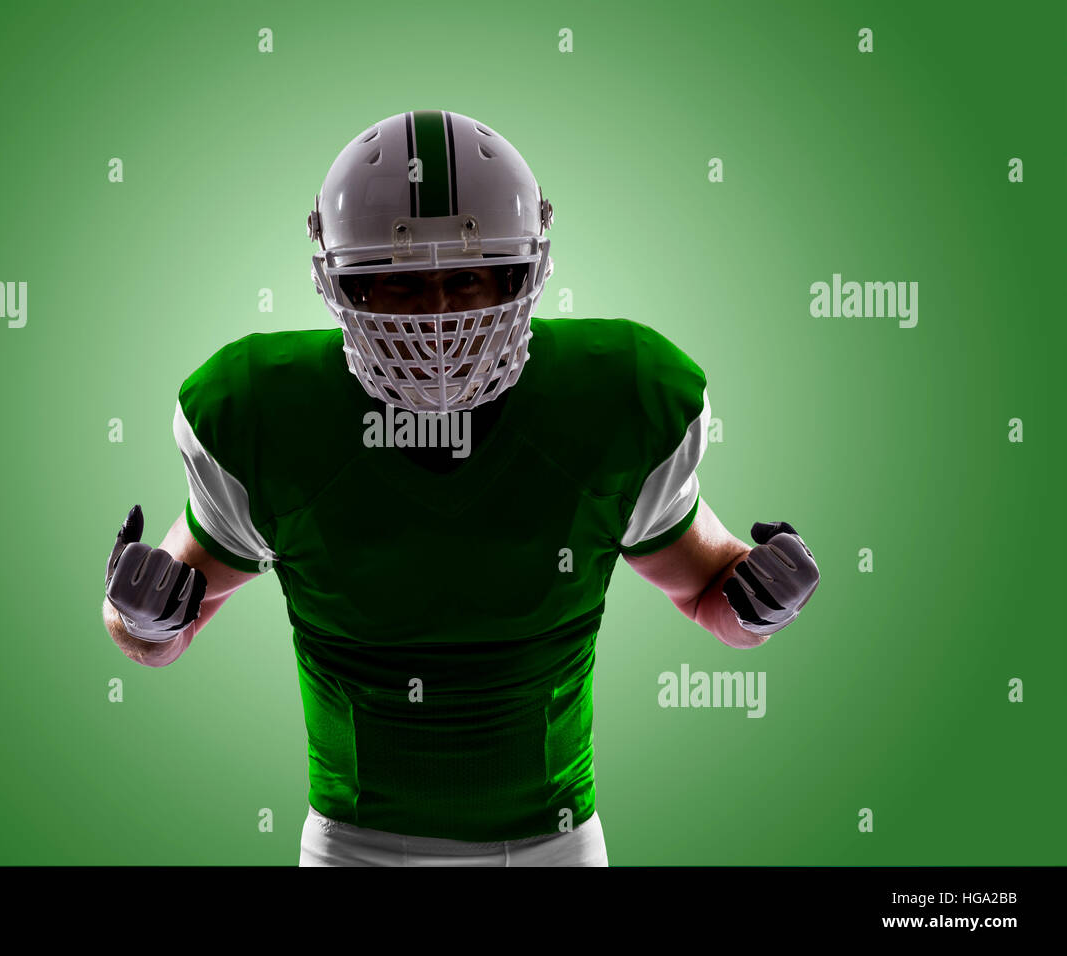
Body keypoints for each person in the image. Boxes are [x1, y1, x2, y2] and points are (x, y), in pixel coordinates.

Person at [102, 110, 820, 867]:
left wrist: (759, 604)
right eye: (402, 282)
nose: (438, 317)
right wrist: (139, 621)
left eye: (466, 279)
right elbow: (163, 633)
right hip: (356, 846)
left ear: (520, 275)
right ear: (345, 286)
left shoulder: (613, 400)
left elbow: (710, 594)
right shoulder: (266, 415)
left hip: (552, 841)